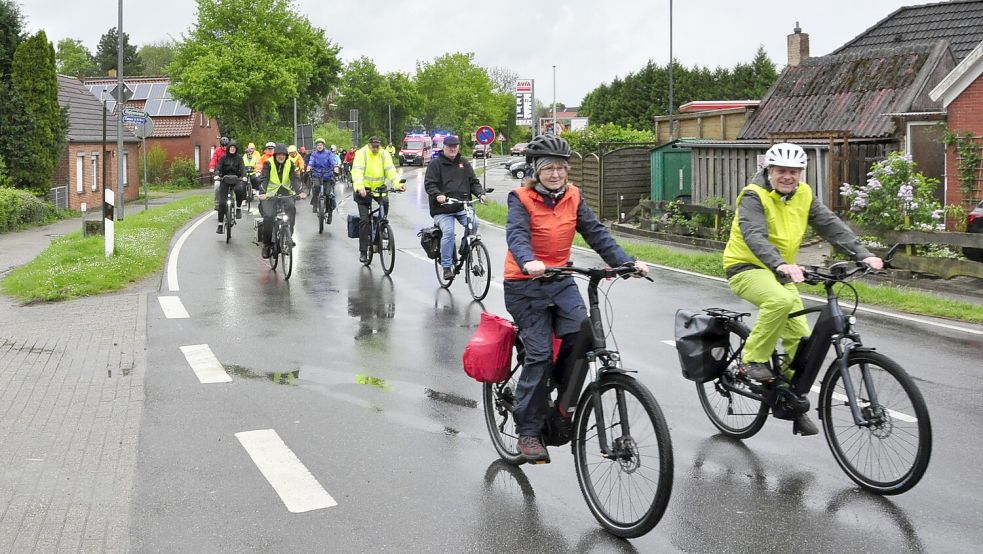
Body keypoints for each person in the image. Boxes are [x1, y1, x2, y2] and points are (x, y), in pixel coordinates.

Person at [503, 134, 649, 463]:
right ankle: (527, 432)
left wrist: (626, 262)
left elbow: (595, 232)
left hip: (560, 279)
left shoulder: (573, 196)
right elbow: (516, 234)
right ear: (536, 170)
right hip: (525, 284)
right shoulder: (520, 198)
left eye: (561, 168)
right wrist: (528, 260)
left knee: (584, 332)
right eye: (549, 168)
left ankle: (557, 400)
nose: (556, 174)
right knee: (539, 356)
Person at [722, 142, 883, 436]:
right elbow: (755, 236)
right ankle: (753, 360)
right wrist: (781, 263)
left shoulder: (805, 195)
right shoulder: (753, 196)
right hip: (747, 267)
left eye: (794, 171)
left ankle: (787, 397)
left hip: (784, 271)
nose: (788, 176)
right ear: (768, 170)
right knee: (780, 301)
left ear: (801, 173)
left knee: (801, 340)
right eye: (781, 170)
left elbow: (830, 225)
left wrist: (862, 254)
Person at [423, 134, 486, 279]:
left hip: (461, 206)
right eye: (450, 147)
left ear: (458, 147)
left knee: (474, 223)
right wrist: (438, 195)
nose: (452, 149)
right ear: (444, 147)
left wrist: (480, 194)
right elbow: (430, 184)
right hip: (442, 209)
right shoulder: (435, 164)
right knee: (449, 233)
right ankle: (446, 266)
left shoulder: (464, 163)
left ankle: (464, 249)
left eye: (455, 146)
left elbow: (473, 182)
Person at [351, 136, 404, 263]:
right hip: (363, 191)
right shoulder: (361, 153)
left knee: (385, 203)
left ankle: (382, 225)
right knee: (364, 220)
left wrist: (398, 184)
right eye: (373, 147)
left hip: (379, 189)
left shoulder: (384, 154)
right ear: (369, 145)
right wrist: (359, 187)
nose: (375, 149)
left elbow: (390, 170)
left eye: (377, 147)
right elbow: (357, 171)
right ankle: (363, 251)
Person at [257, 143, 307, 258]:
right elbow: (264, 179)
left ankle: (288, 237)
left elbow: (294, 179)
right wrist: (263, 193)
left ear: (286, 155)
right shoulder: (268, 163)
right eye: (278, 155)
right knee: (269, 217)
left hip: (286, 192)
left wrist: (300, 192)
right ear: (275, 155)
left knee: (291, 210)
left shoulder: (290, 163)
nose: (281, 157)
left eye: (283, 155)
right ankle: (267, 244)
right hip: (270, 194)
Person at [214, 142, 247, 232]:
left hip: (236, 179)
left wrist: (244, 176)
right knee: (222, 203)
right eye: (231, 147)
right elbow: (218, 168)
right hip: (225, 180)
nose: (232, 149)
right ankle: (220, 225)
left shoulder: (239, 158)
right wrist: (217, 175)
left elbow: (243, 168)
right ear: (228, 148)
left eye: (234, 147)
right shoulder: (223, 158)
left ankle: (238, 208)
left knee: (240, 190)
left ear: (236, 149)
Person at [307, 138, 337, 212]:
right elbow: (311, 161)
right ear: (316, 146)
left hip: (327, 174)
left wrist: (335, 167)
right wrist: (309, 166)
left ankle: (328, 208)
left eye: (320, 145)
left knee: (327, 193)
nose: (319, 146)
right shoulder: (314, 154)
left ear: (323, 146)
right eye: (318, 145)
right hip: (317, 174)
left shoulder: (328, 153)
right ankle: (315, 205)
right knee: (316, 187)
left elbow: (332, 161)